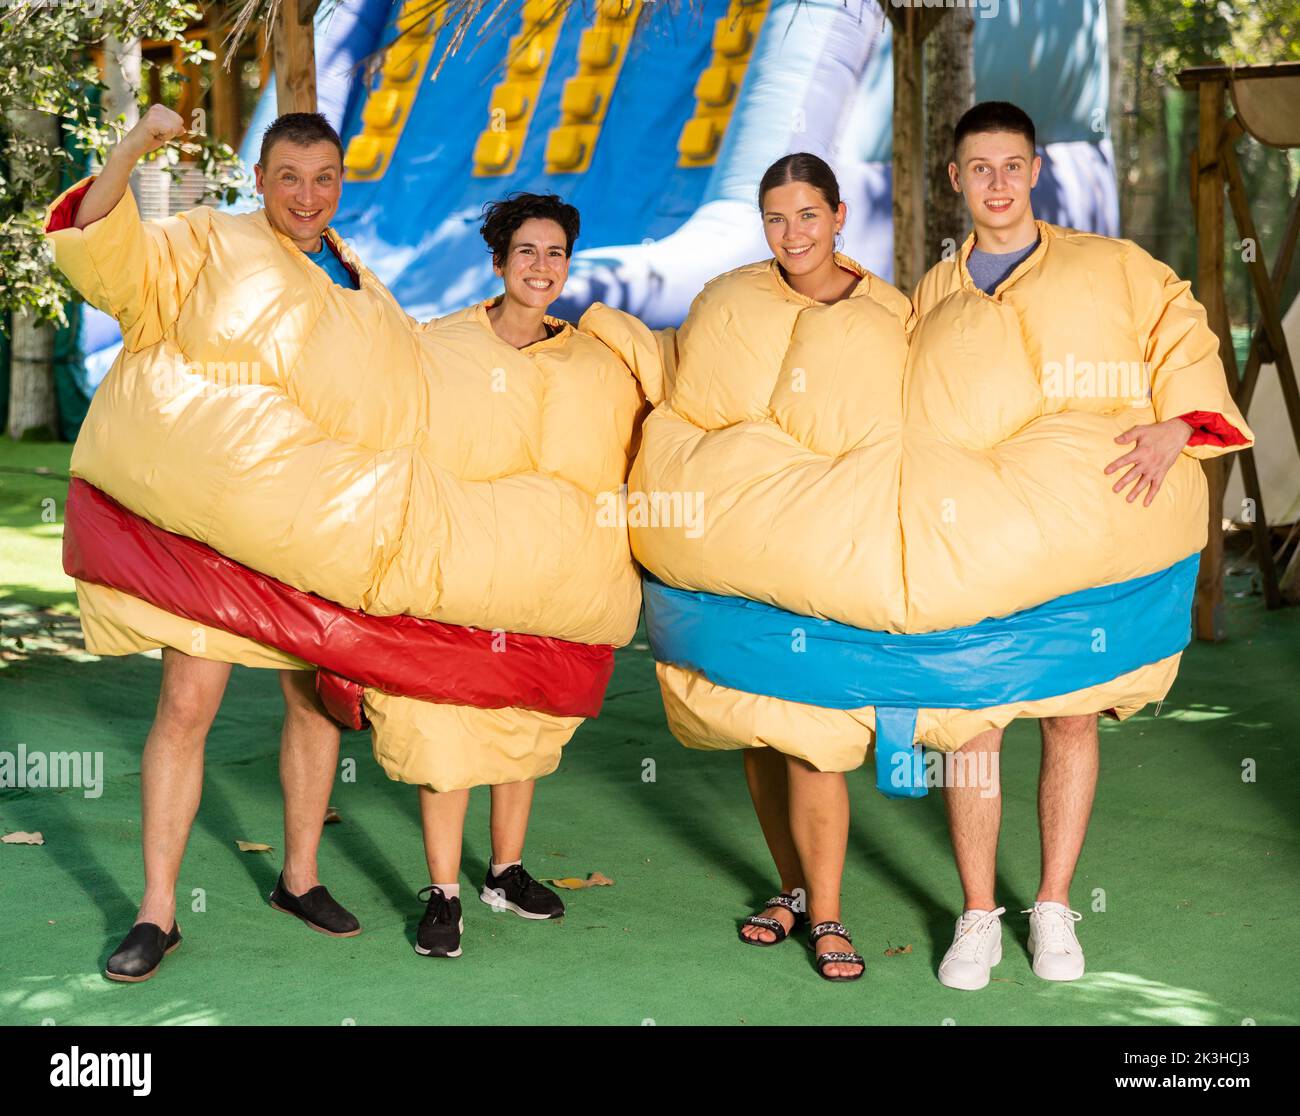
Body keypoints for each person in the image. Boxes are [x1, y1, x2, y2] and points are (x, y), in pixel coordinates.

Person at [915, 101, 1252, 990]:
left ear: (1035, 172)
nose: (996, 182)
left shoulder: (1114, 267)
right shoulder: (932, 293)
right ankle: (979, 912)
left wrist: (1182, 421)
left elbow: (1182, 324)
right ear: (956, 179)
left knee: (1071, 712)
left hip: (1086, 531)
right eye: (978, 167)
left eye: (1011, 165)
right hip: (977, 544)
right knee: (971, 721)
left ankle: (1055, 906)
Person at [46, 106, 384, 981]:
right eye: (289, 178)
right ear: (260, 181)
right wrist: (133, 147)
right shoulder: (205, 241)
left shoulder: (357, 280)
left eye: (323, 178)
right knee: (188, 705)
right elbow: (105, 248)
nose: (307, 196)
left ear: (340, 182)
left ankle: (299, 878)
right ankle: (158, 911)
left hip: (313, 529)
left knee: (316, 702)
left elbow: (401, 395)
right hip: (215, 525)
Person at [584, 153, 916, 981]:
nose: (793, 233)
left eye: (808, 215)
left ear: (839, 216)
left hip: (829, 558)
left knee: (816, 741)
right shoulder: (730, 300)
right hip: (738, 562)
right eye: (776, 218)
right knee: (758, 735)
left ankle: (831, 917)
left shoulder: (891, 314)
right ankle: (792, 891)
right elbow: (689, 392)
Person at [365, 193, 646, 958]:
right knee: (444, 730)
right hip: (453, 575)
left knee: (523, 726)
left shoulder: (595, 364)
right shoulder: (439, 345)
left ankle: (506, 870)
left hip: (545, 584)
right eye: (527, 251)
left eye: (556, 253)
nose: (542, 266)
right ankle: (443, 892)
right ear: (498, 260)